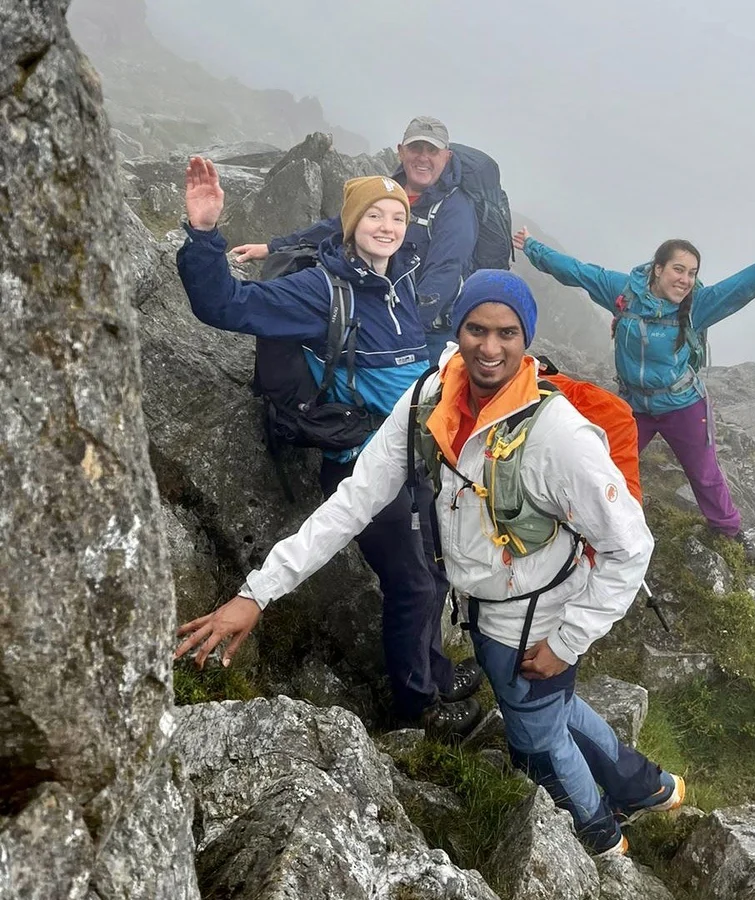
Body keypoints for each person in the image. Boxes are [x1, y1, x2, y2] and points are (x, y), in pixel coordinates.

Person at [174, 268, 685, 856]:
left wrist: (568, 641)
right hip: (502, 604)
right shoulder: (429, 399)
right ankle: (649, 787)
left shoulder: (559, 436)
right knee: (552, 708)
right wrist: (257, 593)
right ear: (459, 330)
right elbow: (354, 501)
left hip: (535, 616)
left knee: (536, 736)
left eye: (506, 333)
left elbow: (631, 544)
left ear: (527, 340)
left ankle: (600, 838)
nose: (489, 348)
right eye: (476, 329)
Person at [176, 155, 483, 738]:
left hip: (417, 453)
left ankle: (437, 672)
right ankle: (418, 708)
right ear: (351, 224)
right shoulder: (322, 290)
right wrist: (204, 235)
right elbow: (225, 307)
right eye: (374, 214)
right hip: (359, 462)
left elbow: (422, 359)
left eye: (397, 215)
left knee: (437, 571)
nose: (387, 225)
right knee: (412, 583)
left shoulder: (404, 284)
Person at [513, 214, 755, 541]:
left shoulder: (697, 306)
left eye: (692, 273)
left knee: (704, 476)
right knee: (604, 462)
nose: (686, 280)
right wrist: (532, 246)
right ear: (657, 269)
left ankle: (728, 534)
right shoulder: (624, 294)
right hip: (635, 405)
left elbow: (750, 282)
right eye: (678, 269)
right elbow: (575, 271)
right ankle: (594, 525)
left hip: (682, 406)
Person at [231, 116, 478, 365]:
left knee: (417, 401)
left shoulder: (456, 209)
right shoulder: (387, 190)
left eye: (432, 151)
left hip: (426, 333)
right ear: (401, 152)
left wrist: (406, 330)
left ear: (446, 157)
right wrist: (274, 247)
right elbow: (340, 225)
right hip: (377, 316)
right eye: (415, 148)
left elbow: (444, 271)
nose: (423, 157)